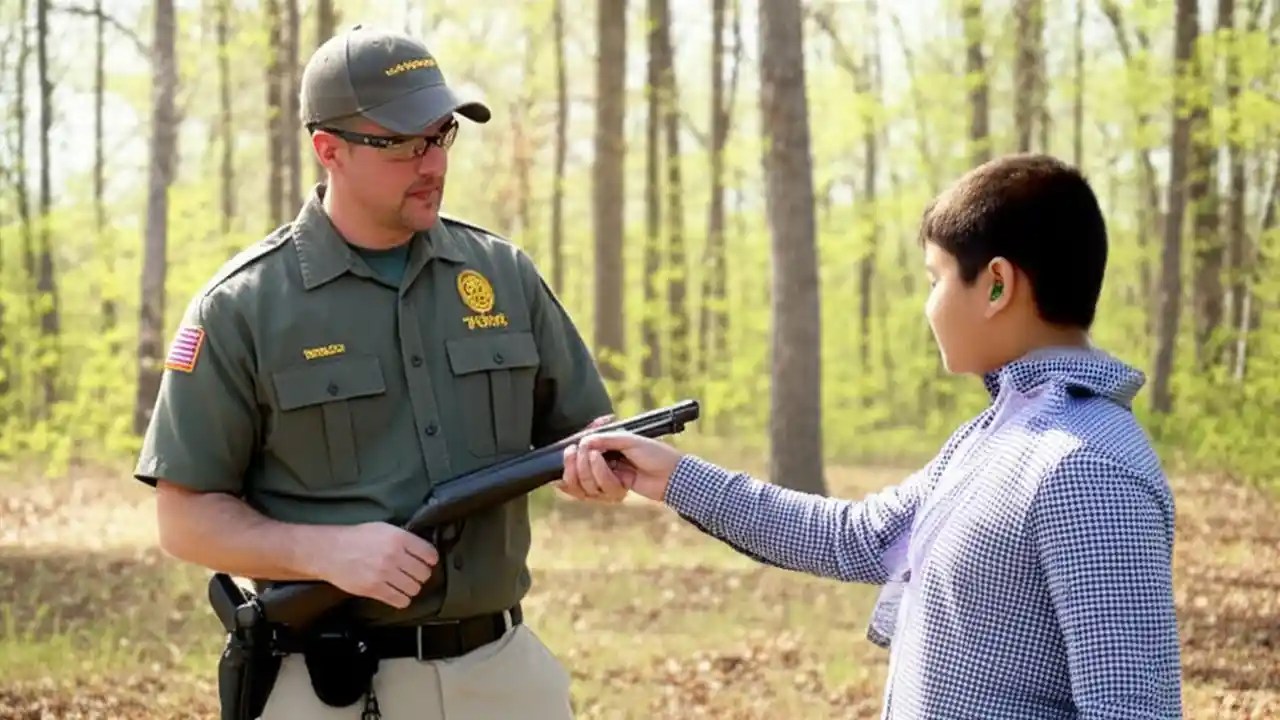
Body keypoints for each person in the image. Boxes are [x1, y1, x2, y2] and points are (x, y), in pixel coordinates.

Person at [558, 154, 1183, 719]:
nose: (929, 304)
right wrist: (671, 477)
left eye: (936, 278)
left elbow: (1134, 709)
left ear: (996, 284)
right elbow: (853, 537)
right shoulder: (995, 439)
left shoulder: (1088, 469)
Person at [134, 24, 614, 720]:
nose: (432, 162)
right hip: (332, 684)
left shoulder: (503, 276)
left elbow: (584, 434)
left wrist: (604, 469)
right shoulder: (243, 308)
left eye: (441, 133)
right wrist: (326, 551)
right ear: (327, 149)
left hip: (505, 676)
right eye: (401, 142)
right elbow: (183, 519)